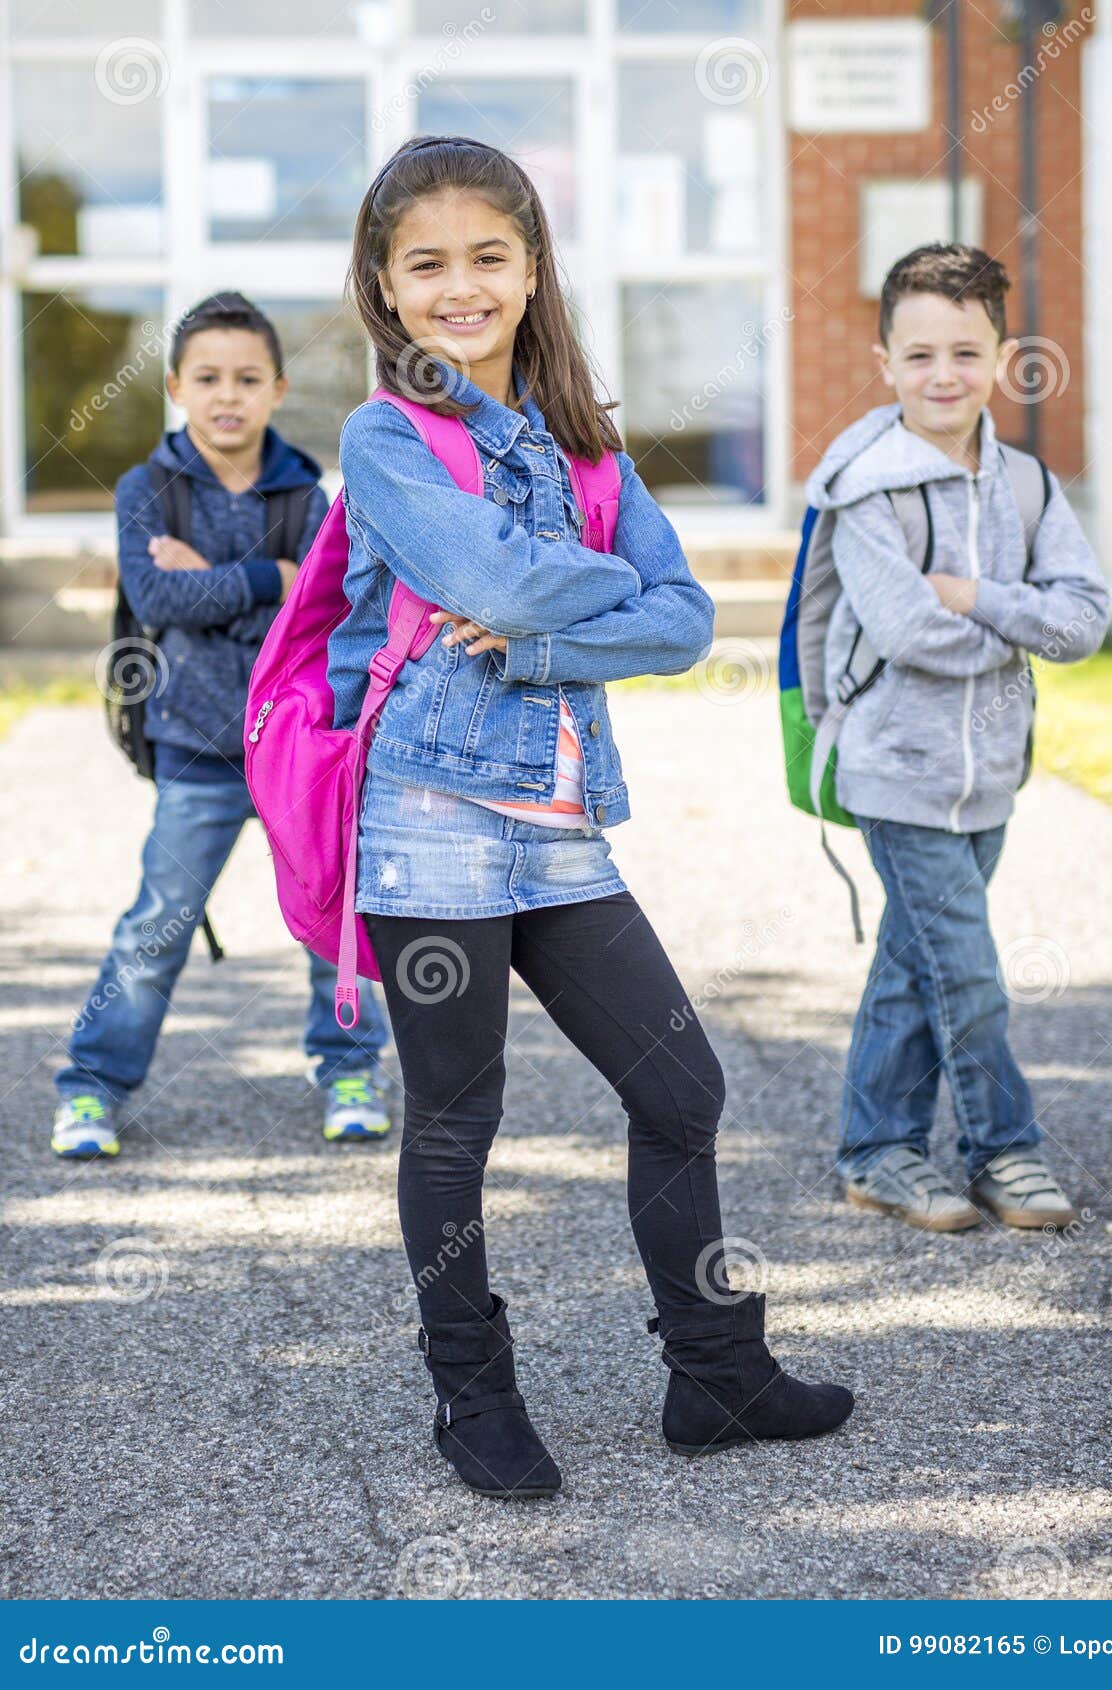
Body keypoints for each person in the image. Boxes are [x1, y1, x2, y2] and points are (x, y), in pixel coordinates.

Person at [328, 134, 856, 1499]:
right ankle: (472, 1398)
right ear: (385, 287)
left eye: (487, 257)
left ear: (531, 266)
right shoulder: (387, 437)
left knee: (682, 1085)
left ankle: (715, 1373)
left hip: (559, 823)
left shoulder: (584, 443)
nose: (461, 286)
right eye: (426, 263)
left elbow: (682, 617)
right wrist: (565, 591)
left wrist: (541, 621)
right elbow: (480, 580)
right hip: (431, 812)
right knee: (456, 1118)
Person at [805, 244, 1110, 1234]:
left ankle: (875, 1151)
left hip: (990, 776)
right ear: (884, 359)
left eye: (964, 353)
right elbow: (905, 633)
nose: (943, 375)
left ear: (1001, 356)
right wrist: (1017, 623)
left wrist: (976, 595)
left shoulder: (1023, 484)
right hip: (895, 770)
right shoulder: (864, 486)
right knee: (967, 970)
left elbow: (1083, 621)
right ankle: (1002, 1151)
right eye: (920, 354)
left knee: (913, 964)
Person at [53, 293, 390, 1159]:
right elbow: (158, 596)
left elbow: (316, 619)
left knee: (336, 915)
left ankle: (348, 1067)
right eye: (207, 378)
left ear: (278, 388)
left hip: (295, 747)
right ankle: (91, 1086)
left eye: (247, 378)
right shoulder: (146, 490)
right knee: (159, 922)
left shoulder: (307, 493)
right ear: (175, 387)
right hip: (195, 746)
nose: (227, 395)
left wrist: (227, 586)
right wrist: (267, 579)